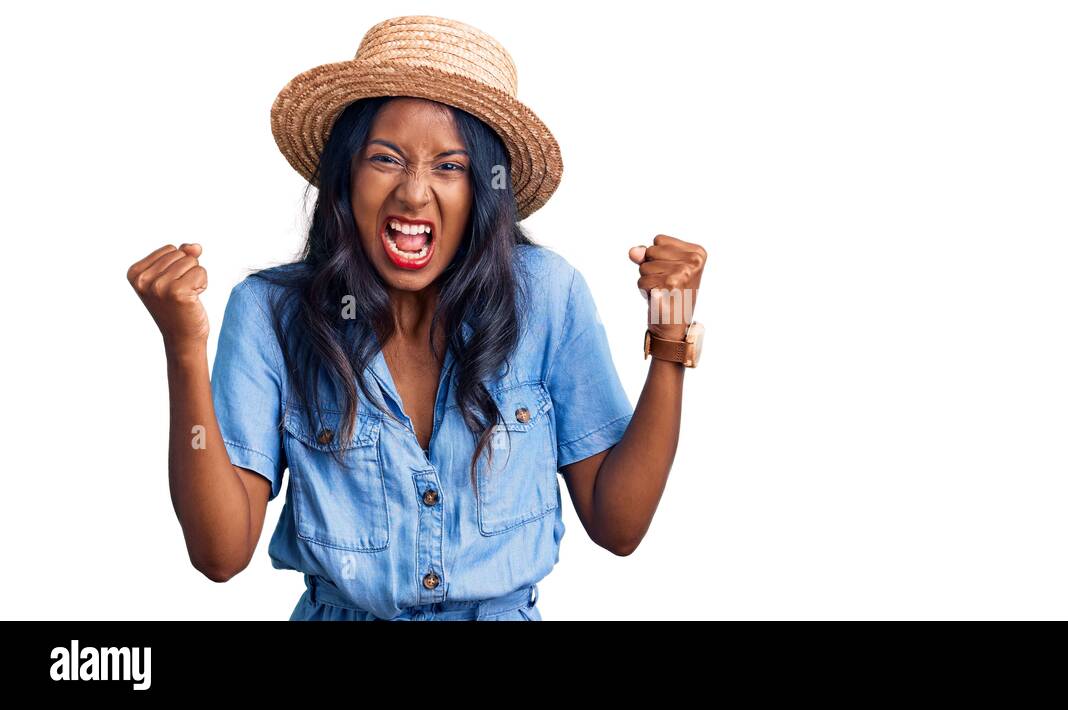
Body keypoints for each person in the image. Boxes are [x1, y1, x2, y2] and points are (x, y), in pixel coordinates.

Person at [124, 15, 708, 621]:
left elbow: (620, 525)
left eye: (449, 166)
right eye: (385, 158)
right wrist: (183, 347)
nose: (413, 192)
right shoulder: (272, 314)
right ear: (345, 177)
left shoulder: (546, 296)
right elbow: (220, 554)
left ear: (486, 190)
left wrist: (670, 332)